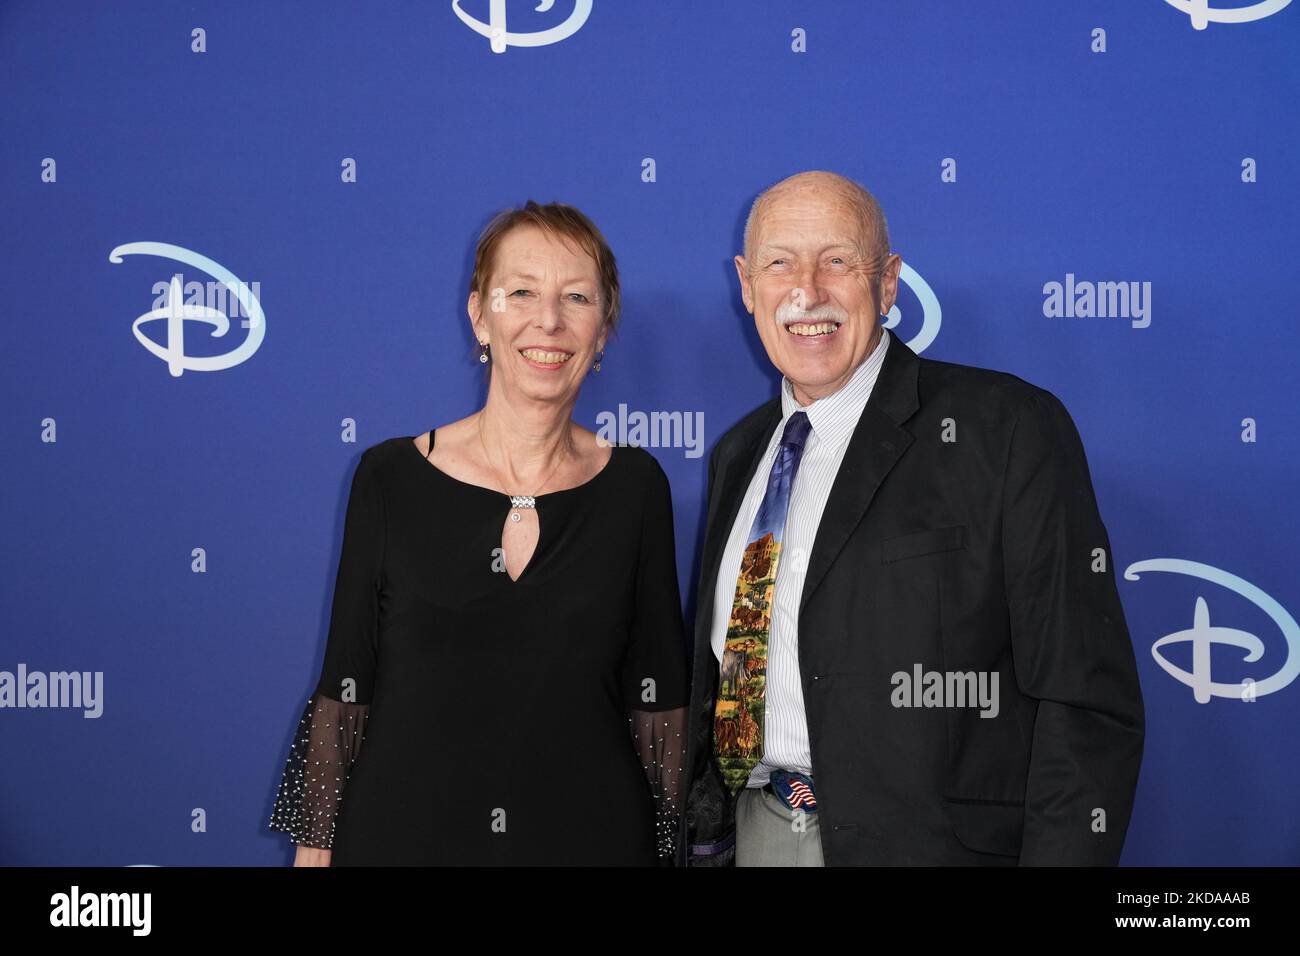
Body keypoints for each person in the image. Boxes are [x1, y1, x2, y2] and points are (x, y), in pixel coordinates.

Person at [682, 170, 1145, 866]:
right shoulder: (739, 454)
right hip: (757, 835)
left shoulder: (1004, 430)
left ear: (889, 281)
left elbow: (1083, 707)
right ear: (747, 285)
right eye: (780, 263)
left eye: (838, 259)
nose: (807, 289)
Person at [269, 200, 689, 865]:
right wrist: (316, 852)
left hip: (593, 843)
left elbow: (660, 706)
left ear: (604, 328)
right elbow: (346, 692)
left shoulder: (638, 489)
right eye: (520, 291)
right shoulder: (389, 478)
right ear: (479, 314)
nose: (547, 320)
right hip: (401, 841)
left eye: (576, 297)